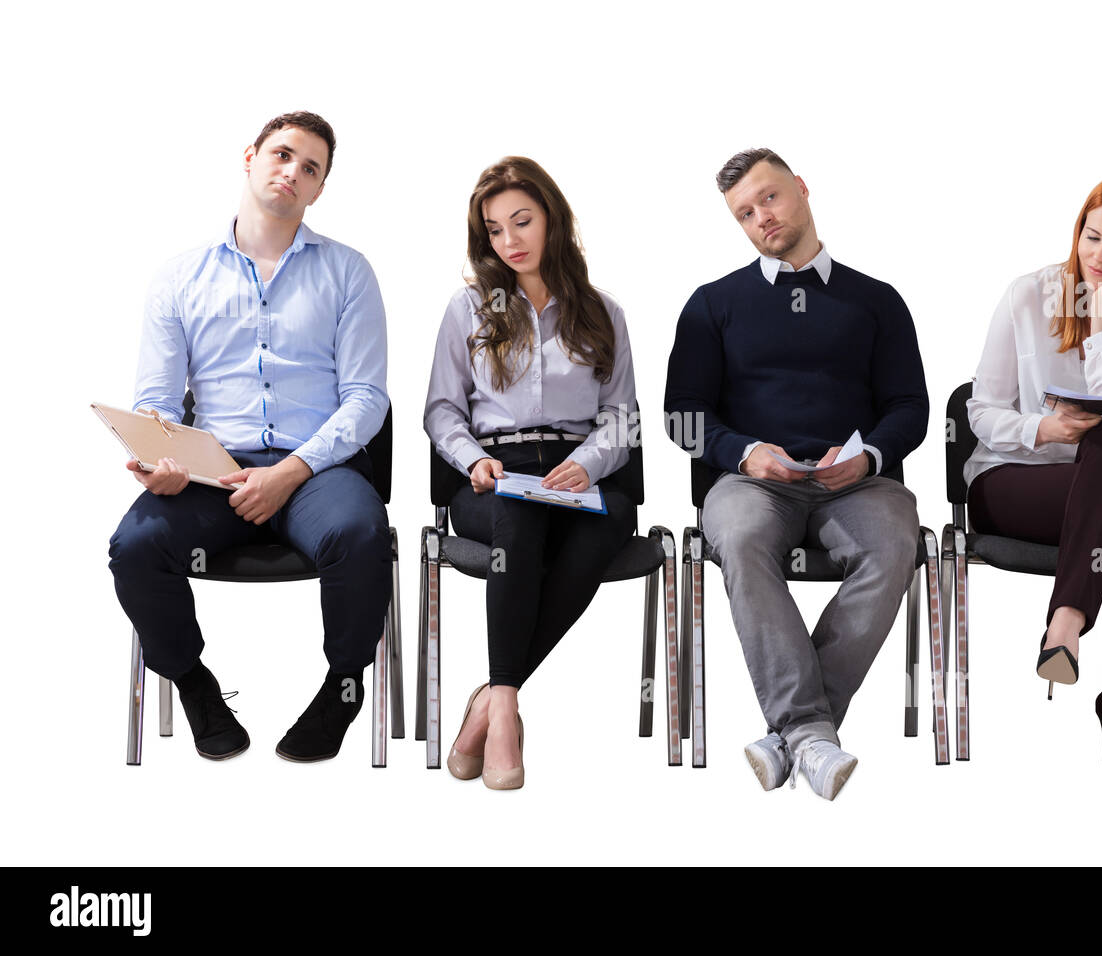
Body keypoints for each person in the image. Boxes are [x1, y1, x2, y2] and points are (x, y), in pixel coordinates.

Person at [108, 111, 392, 763]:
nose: (293, 171)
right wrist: (165, 464)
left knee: (360, 533)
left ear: (319, 190)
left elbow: (366, 398)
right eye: (284, 154)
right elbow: (153, 405)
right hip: (214, 474)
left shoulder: (349, 273)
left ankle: (342, 689)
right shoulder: (179, 278)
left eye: (311, 167)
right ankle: (192, 682)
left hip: (317, 470)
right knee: (136, 546)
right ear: (251, 156)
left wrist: (290, 470)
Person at [664, 148, 928, 800]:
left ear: (803, 189)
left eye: (770, 199)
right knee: (741, 538)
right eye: (745, 214)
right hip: (755, 482)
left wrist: (868, 455)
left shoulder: (877, 301)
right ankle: (812, 733)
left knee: (895, 542)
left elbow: (910, 408)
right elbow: (681, 415)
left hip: (857, 482)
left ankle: (796, 733)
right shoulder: (713, 305)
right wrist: (743, 451)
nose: (762, 219)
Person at [964, 172, 1102, 772]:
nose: (1100, 257)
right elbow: (981, 413)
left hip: (1099, 500)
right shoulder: (1028, 295)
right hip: (1011, 480)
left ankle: (1066, 623)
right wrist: (1045, 430)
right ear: (1077, 231)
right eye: (1092, 238)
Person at [425, 156, 637, 790]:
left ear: (553, 219)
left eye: (522, 221)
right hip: (494, 474)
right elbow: (441, 411)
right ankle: (509, 713)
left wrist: (586, 463)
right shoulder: (470, 310)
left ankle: (491, 699)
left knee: (612, 523)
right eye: (494, 229)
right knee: (518, 525)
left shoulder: (603, 311)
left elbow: (622, 418)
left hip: (576, 471)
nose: (510, 241)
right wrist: (476, 460)